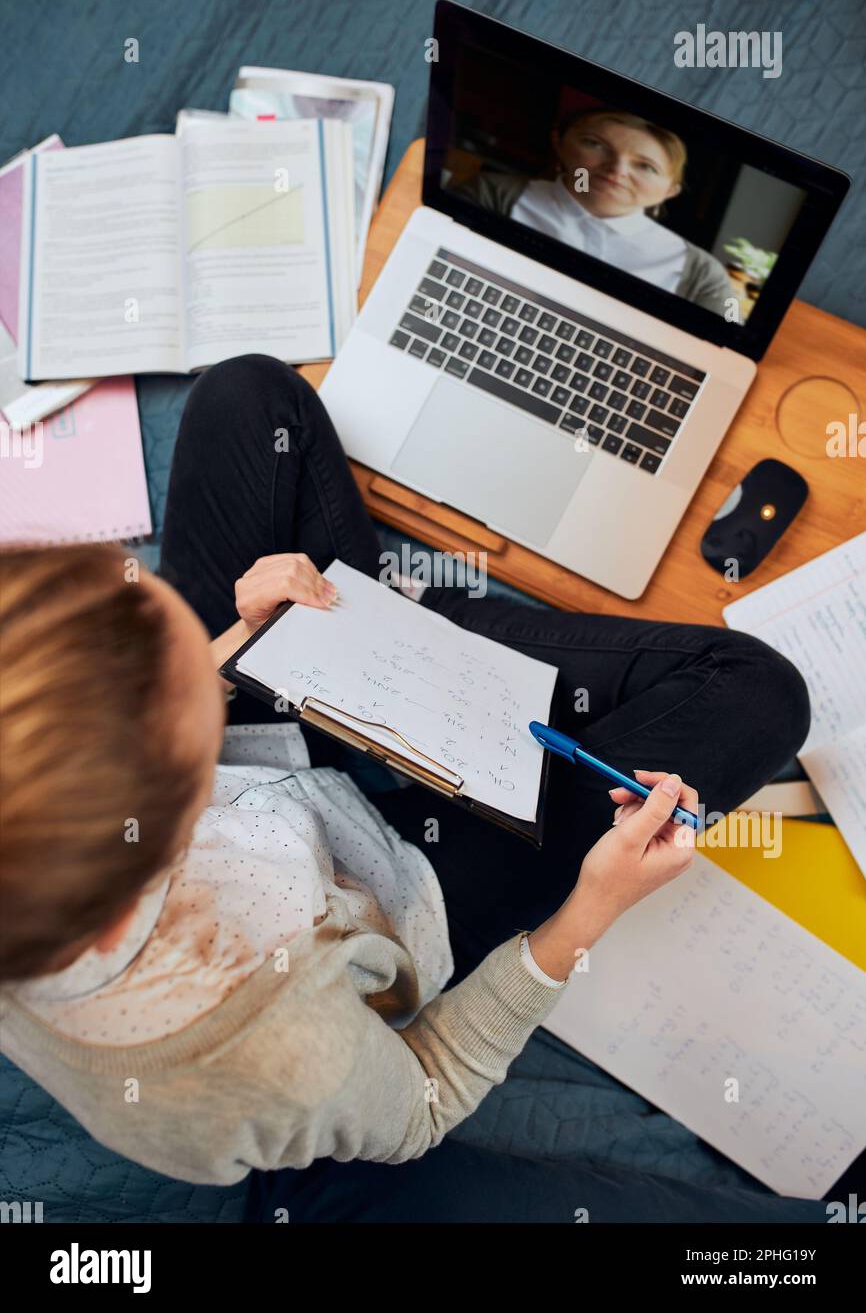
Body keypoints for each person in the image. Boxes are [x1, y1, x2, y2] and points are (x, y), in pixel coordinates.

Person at [0, 355, 823, 1223]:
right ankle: (413, 637)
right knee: (757, 694)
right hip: (401, 886)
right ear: (164, 815)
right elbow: (427, 1095)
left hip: (255, 776)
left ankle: (392, 633)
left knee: (245, 394)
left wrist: (239, 641)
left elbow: (165, 702)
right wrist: (590, 910)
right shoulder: (272, 1061)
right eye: (182, 693)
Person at [458, 108, 734, 315]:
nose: (617, 170)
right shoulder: (491, 194)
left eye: (646, 166)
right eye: (595, 144)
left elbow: (726, 351)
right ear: (560, 142)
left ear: (669, 191)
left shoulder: (701, 273)